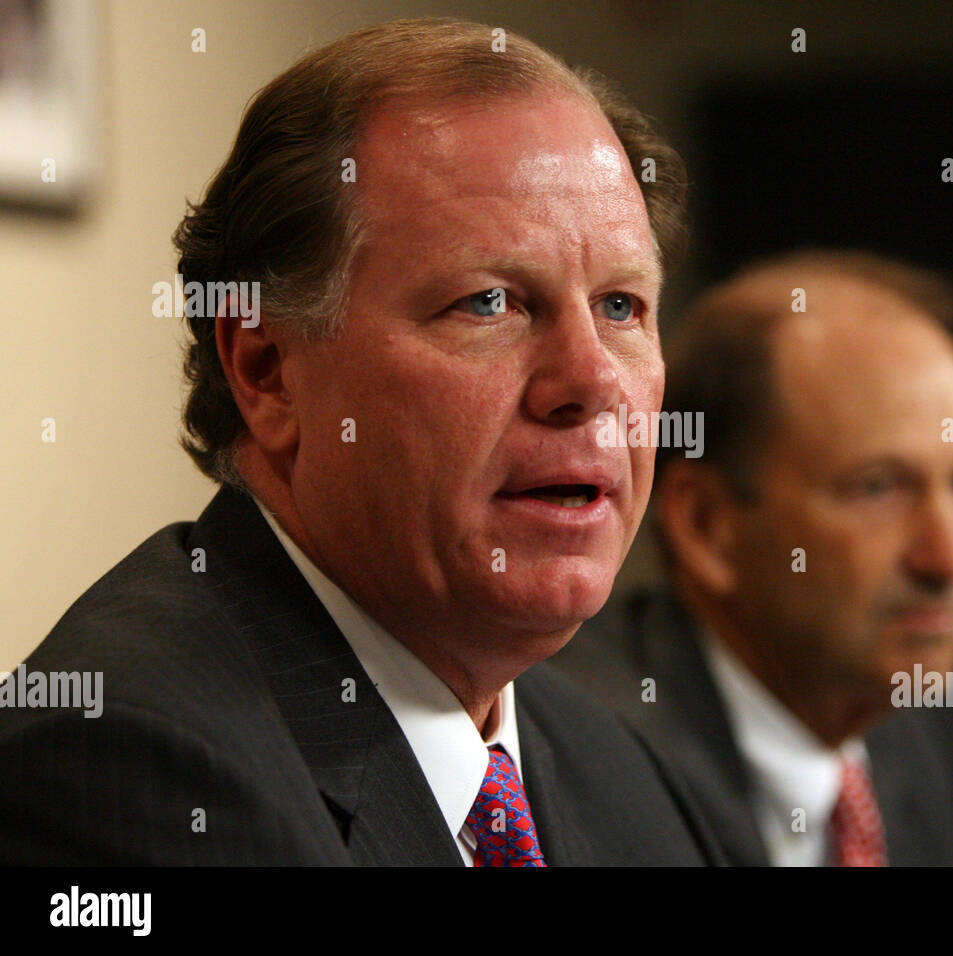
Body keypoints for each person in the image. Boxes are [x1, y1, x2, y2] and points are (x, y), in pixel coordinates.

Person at [0, 18, 721, 866]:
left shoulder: (627, 772)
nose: (593, 382)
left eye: (622, 307)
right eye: (490, 302)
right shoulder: (125, 766)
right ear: (268, 372)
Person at [554, 250, 953, 865]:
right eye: (878, 488)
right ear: (708, 527)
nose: (946, 561)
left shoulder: (904, 729)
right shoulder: (592, 759)